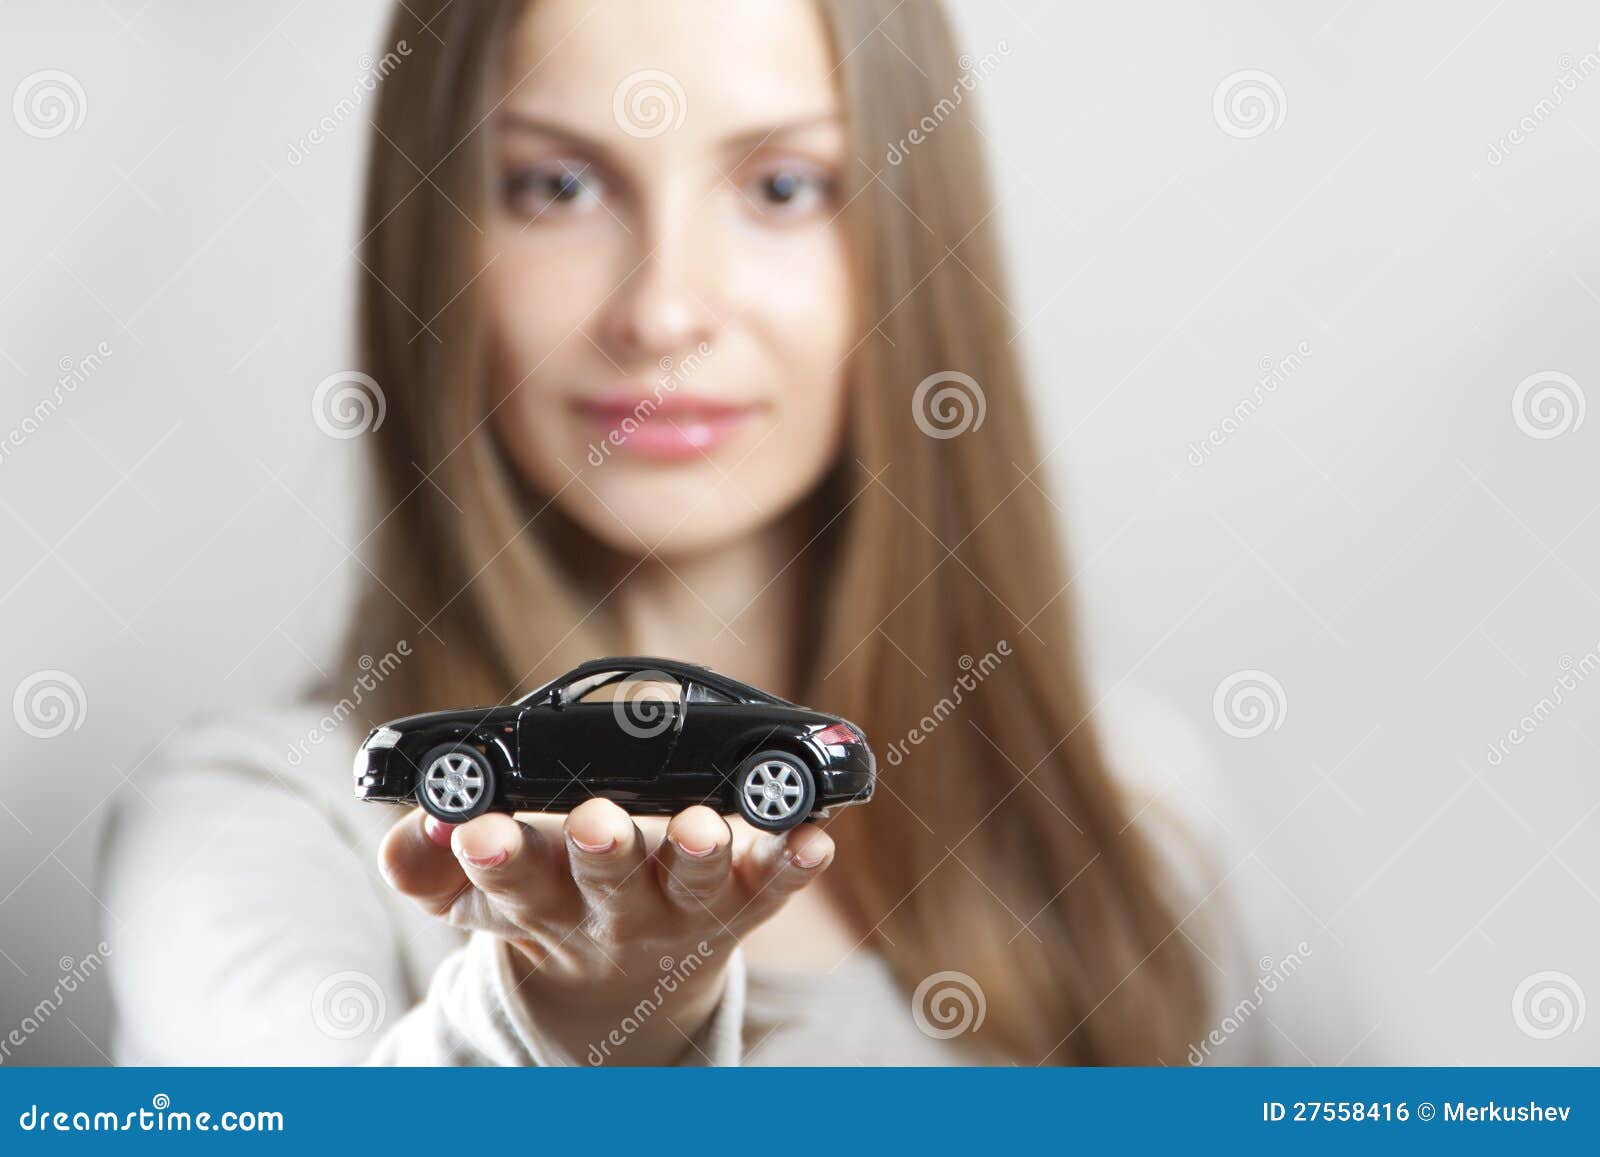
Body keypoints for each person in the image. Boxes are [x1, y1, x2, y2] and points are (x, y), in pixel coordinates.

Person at [102, 0, 1269, 1066]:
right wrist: (561, 1017)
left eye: (781, 189)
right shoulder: (253, 825)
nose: (663, 310)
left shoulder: (1134, 801)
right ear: (434, 247)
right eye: (557, 186)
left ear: (913, 240)